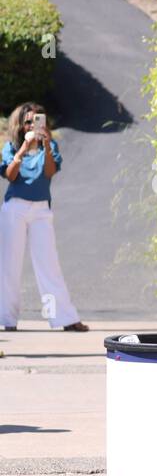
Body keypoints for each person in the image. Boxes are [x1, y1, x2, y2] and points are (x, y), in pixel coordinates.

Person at [0, 103, 88, 332]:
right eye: (27, 121)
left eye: (36, 121)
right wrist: (23, 149)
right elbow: (10, 175)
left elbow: (49, 172)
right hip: (14, 208)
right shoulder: (11, 147)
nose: (32, 125)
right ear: (21, 125)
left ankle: (65, 318)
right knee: (9, 264)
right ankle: (6, 319)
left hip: (40, 210)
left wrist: (46, 145)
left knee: (48, 263)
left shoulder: (50, 147)